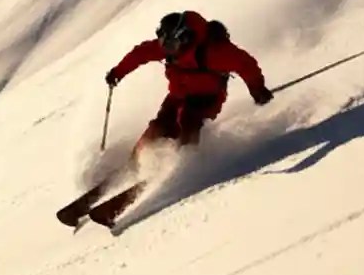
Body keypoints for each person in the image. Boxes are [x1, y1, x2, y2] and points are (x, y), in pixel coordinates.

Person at [105, 11, 273, 162]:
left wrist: (257, 88)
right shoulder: (169, 48)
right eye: (164, 44)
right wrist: (118, 72)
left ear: (184, 38)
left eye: (170, 45)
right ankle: (135, 162)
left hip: (207, 96)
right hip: (178, 94)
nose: (166, 50)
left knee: (188, 120)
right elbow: (140, 54)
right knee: (159, 127)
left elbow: (245, 64)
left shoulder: (212, 52)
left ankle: (186, 161)